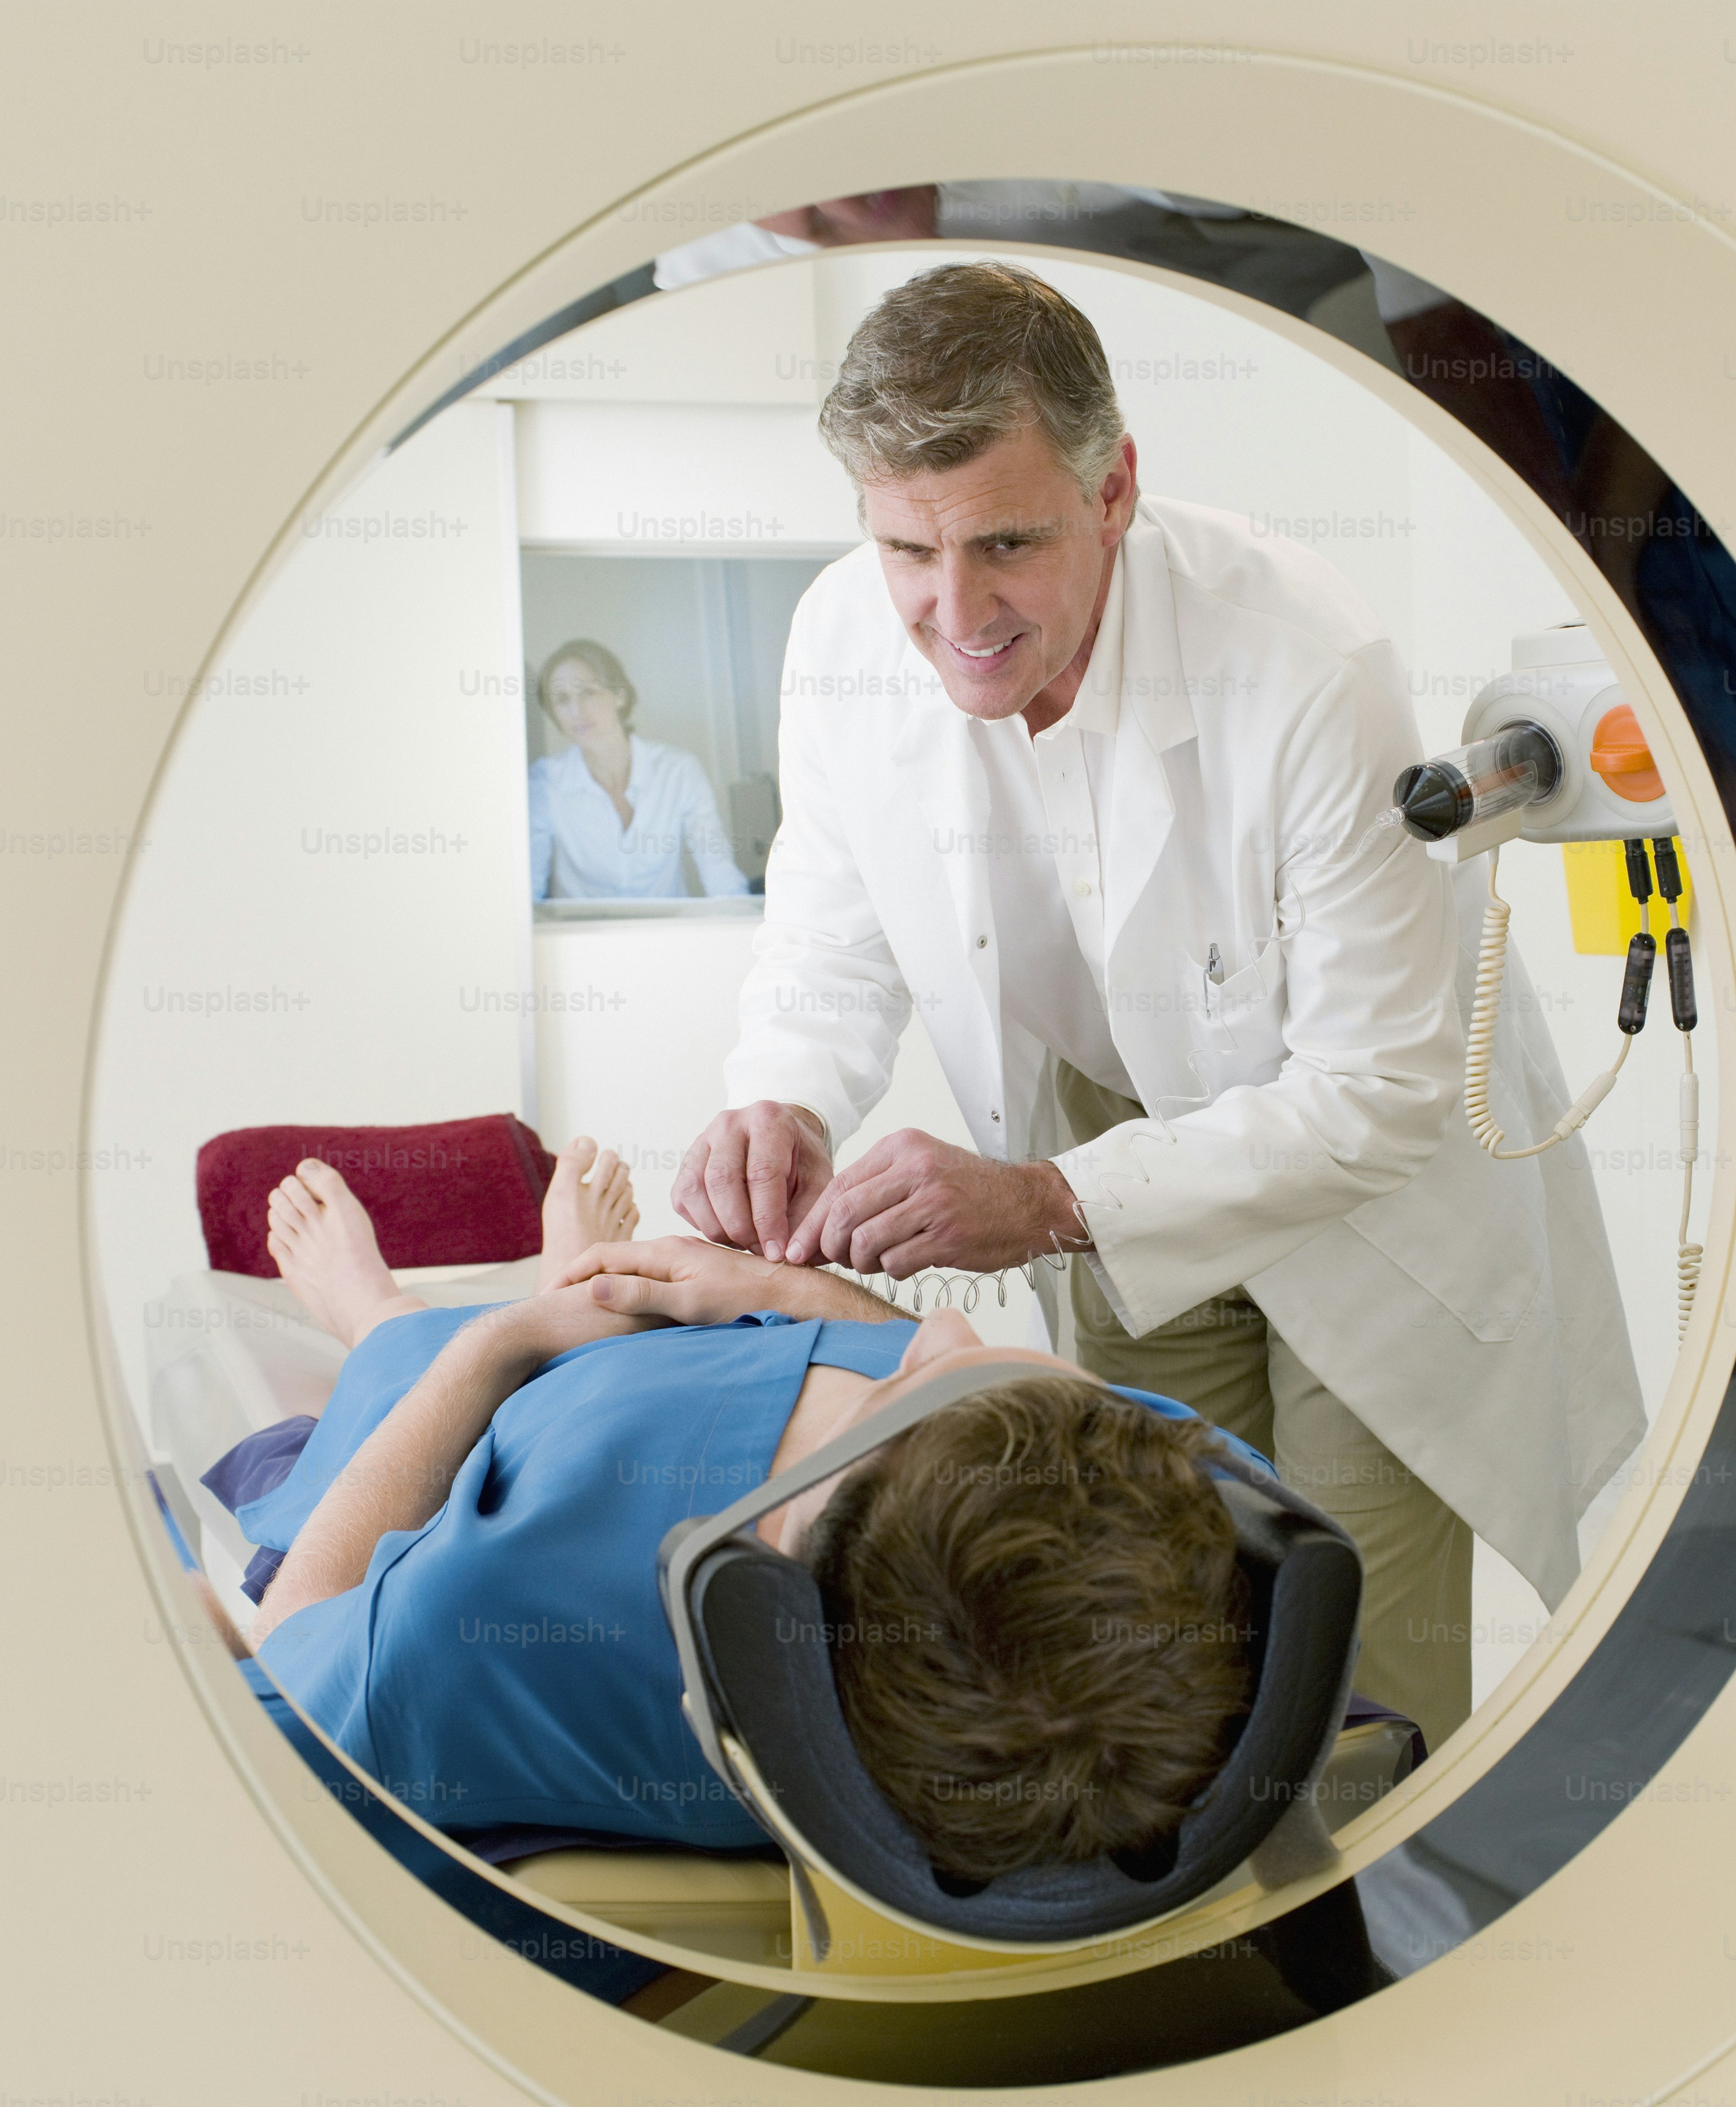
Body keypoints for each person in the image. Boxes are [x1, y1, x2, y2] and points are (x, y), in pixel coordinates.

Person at [679, 261, 1641, 1749]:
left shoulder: (1304, 664)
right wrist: (783, 1096)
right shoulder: (837, 642)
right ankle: (1195, 1963)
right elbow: (828, 928)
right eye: (906, 552)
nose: (955, 610)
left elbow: (1376, 1094)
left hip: (1357, 1181)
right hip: (1100, 1137)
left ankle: (1360, 1954)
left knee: (1347, 1669)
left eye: (1006, 542)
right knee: (1161, 1619)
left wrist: (1047, 1202)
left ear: (1112, 488)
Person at [225, 1149, 1262, 1874]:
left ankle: (386, 1317)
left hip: (542, 1431)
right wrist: (788, 1293)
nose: (939, 1320)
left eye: (892, 1389)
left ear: (763, 1552)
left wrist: (501, 1344)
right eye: (993, 1377)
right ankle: (595, 1299)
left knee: (437, 1372)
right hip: (697, 1379)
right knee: (644, 1318)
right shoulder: (1173, 1502)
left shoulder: (466, 1617)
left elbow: (289, 1651)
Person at [526, 639, 754, 901]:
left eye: (588, 693)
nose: (576, 711)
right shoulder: (545, 781)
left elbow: (720, 874)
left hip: (666, 935)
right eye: (562, 700)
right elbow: (529, 887)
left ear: (619, 695)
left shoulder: (678, 771)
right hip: (584, 938)